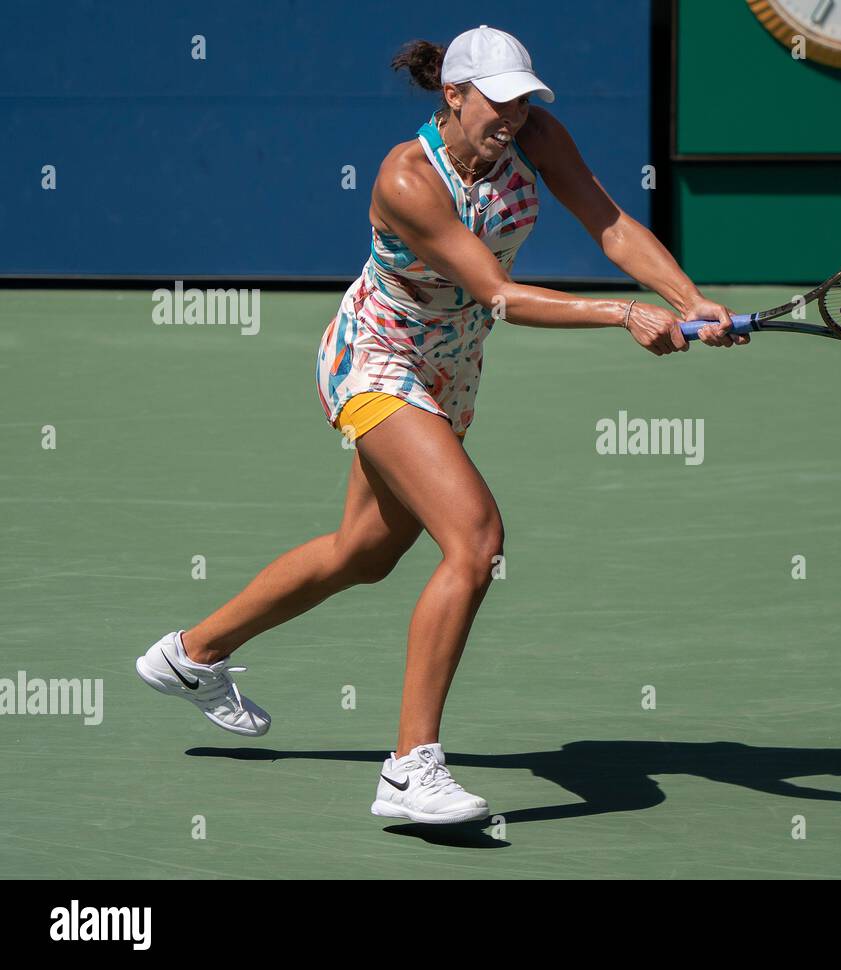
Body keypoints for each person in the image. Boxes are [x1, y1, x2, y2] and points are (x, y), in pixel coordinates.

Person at [135, 25, 745, 825]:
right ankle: (408, 771)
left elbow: (609, 221)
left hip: (450, 372)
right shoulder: (407, 178)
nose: (514, 120)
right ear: (452, 95)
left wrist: (686, 295)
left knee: (364, 552)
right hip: (376, 361)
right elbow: (500, 294)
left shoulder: (535, 136)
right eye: (499, 103)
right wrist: (624, 313)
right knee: (476, 538)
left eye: (524, 104)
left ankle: (190, 655)